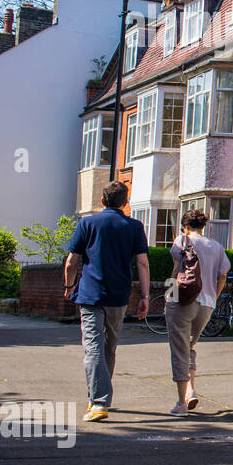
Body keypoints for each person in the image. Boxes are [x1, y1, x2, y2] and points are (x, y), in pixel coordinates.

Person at [63, 181, 150, 422]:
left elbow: (72, 260)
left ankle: (98, 401)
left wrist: (69, 285)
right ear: (125, 202)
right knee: (109, 347)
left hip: (90, 294)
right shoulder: (134, 226)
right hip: (119, 296)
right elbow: (142, 263)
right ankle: (101, 397)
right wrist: (144, 296)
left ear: (102, 201)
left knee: (93, 347)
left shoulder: (87, 223)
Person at [165, 209, 230, 416]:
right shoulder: (216, 246)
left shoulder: (181, 241)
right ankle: (191, 391)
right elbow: (222, 276)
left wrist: (169, 296)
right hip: (207, 303)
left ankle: (180, 403)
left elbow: (176, 270)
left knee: (179, 349)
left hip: (183, 300)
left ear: (185, 226)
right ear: (203, 226)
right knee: (190, 346)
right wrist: (214, 297)